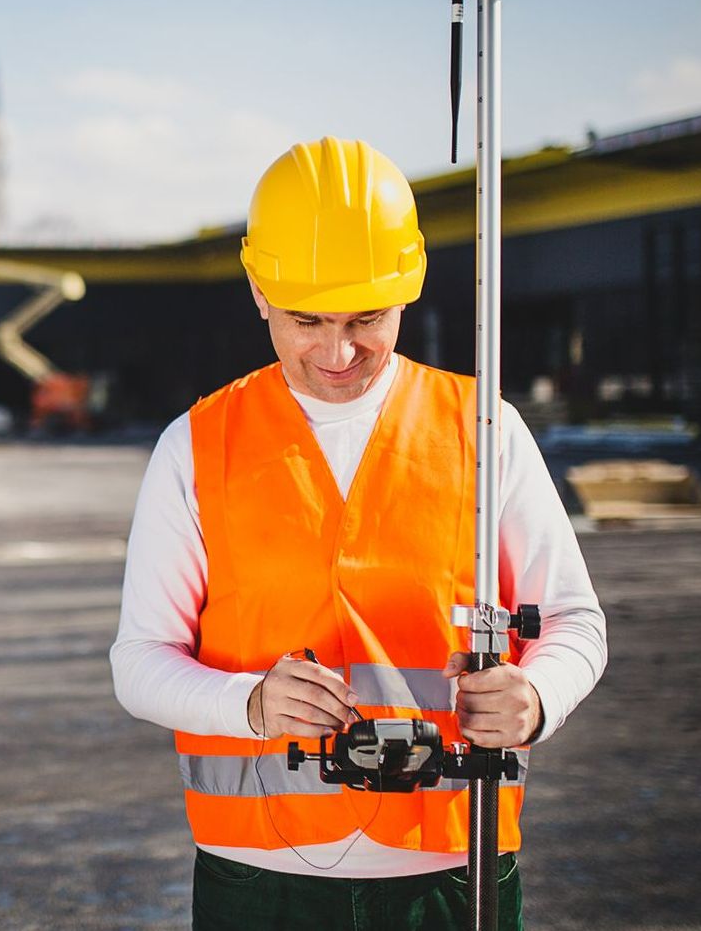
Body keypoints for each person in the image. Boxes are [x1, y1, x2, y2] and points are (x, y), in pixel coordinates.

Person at [111, 136, 607, 931]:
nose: (337, 351)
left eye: (366, 319)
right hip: (258, 883)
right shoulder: (197, 445)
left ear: (407, 289)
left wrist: (537, 696)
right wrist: (249, 704)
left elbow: (574, 622)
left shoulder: (483, 430)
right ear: (259, 291)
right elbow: (139, 663)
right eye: (306, 319)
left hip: (453, 872)